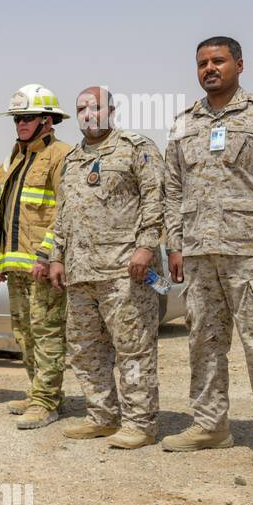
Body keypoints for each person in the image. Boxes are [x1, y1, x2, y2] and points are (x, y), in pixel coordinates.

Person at [161, 36, 253, 465]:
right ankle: (210, 425)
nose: (210, 68)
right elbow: (172, 188)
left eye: (219, 61)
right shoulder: (183, 123)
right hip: (199, 254)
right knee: (204, 344)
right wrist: (175, 244)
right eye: (203, 62)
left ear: (239, 65)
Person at [49, 87, 163, 449]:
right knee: (85, 349)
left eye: (95, 107)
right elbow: (62, 214)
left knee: (133, 349)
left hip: (123, 271)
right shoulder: (71, 160)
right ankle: (101, 415)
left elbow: (156, 198)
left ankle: (139, 423)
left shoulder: (135, 147)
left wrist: (146, 246)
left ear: (111, 110)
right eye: (81, 108)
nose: (87, 114)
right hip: (81, 272)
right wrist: (55, 255)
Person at [0, 84, 74, 428]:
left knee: (47, 332)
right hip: (16, 263)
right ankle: (39, 391)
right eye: (17, 119)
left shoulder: (62, 155)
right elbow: (5, 211)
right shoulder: (16, 157)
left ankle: (47, 401)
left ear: (47, 120)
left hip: (42, 264)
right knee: (24, 332)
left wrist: (50, 255)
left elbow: (66, 211)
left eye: (26, 118)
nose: (20, 124)